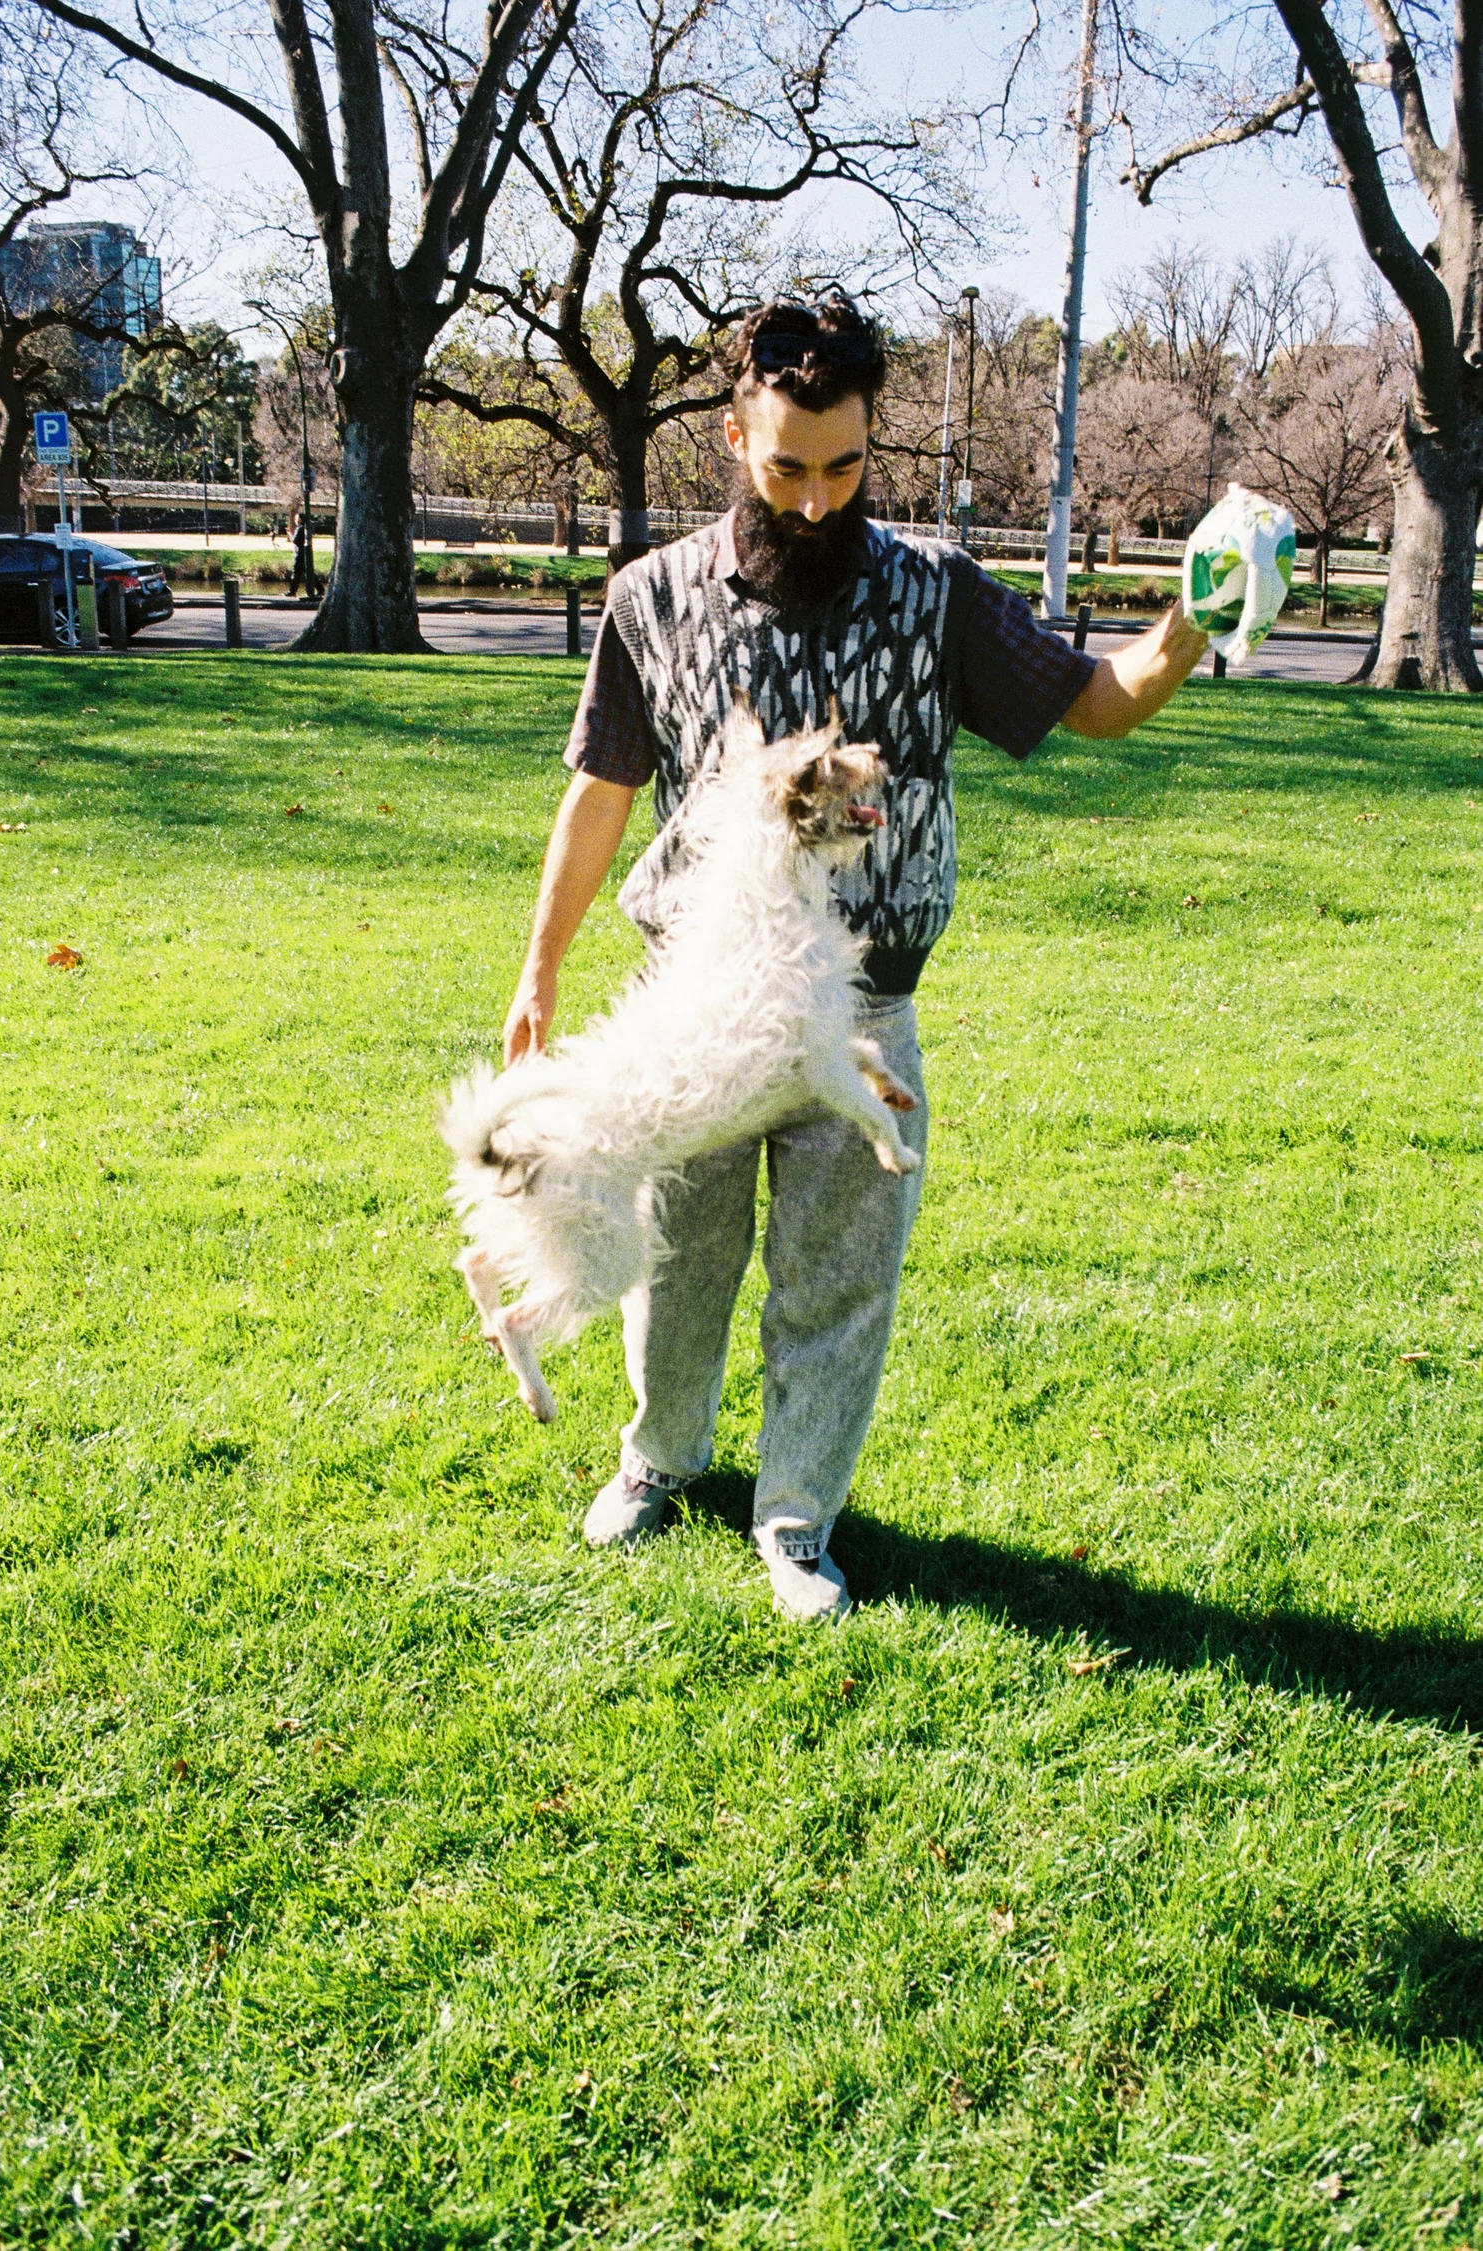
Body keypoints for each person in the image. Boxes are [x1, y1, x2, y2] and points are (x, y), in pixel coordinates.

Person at [502, 295, 1211, 1621]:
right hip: (697, 1020)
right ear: (732, 435)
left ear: (873, 443)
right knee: (678, 1266)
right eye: (786, 466)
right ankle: (660, 1458)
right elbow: (600, 787)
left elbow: (1101, 704)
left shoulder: (935, 593)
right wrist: (539, 974)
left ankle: (796, 1518)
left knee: (836, 1286)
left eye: (843, 465)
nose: (817, 499)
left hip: (863, 1011)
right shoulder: (652, 598)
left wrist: (1195, 621)